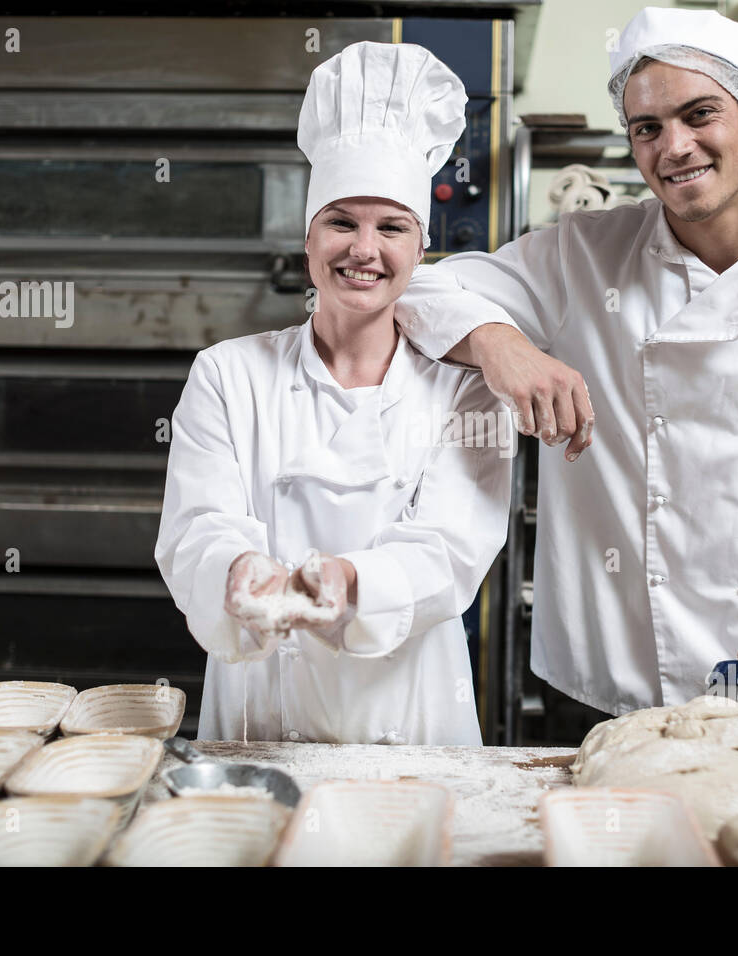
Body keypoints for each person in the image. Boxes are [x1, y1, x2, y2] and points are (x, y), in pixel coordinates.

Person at [394, 7, 738, 749]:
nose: (674, 146)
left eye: (701, 114)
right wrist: (502, 343)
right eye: (647, 127)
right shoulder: (586, 254)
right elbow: (413, 289)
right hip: (608, 684)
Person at [155, 42, 511, 745]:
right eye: (343, 222)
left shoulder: (467, 389)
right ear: (309, 234)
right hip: (262, 708)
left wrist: (347, 582)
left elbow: (449, 552)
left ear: (420, 245)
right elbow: (197, 527)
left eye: (393, 228)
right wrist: (236, 571)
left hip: (410, 715)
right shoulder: (228, 374)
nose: (364, 250)